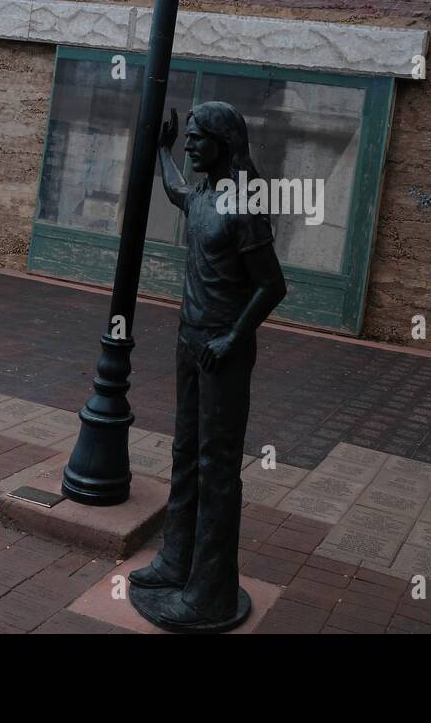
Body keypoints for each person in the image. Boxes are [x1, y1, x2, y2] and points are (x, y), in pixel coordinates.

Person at [128, 103, 287, 631]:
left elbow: (272, 285)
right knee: (185, 453)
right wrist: (161, 152)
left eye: (197, 139)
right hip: (190, 342)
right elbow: (175, 190)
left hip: (224, 350)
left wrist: (232, 337)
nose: (192, 145)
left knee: (217, 470)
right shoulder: (199, 195)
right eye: (189, 139)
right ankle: (177, 561)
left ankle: (209, 594)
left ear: (223, 143)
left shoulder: (243, 206)